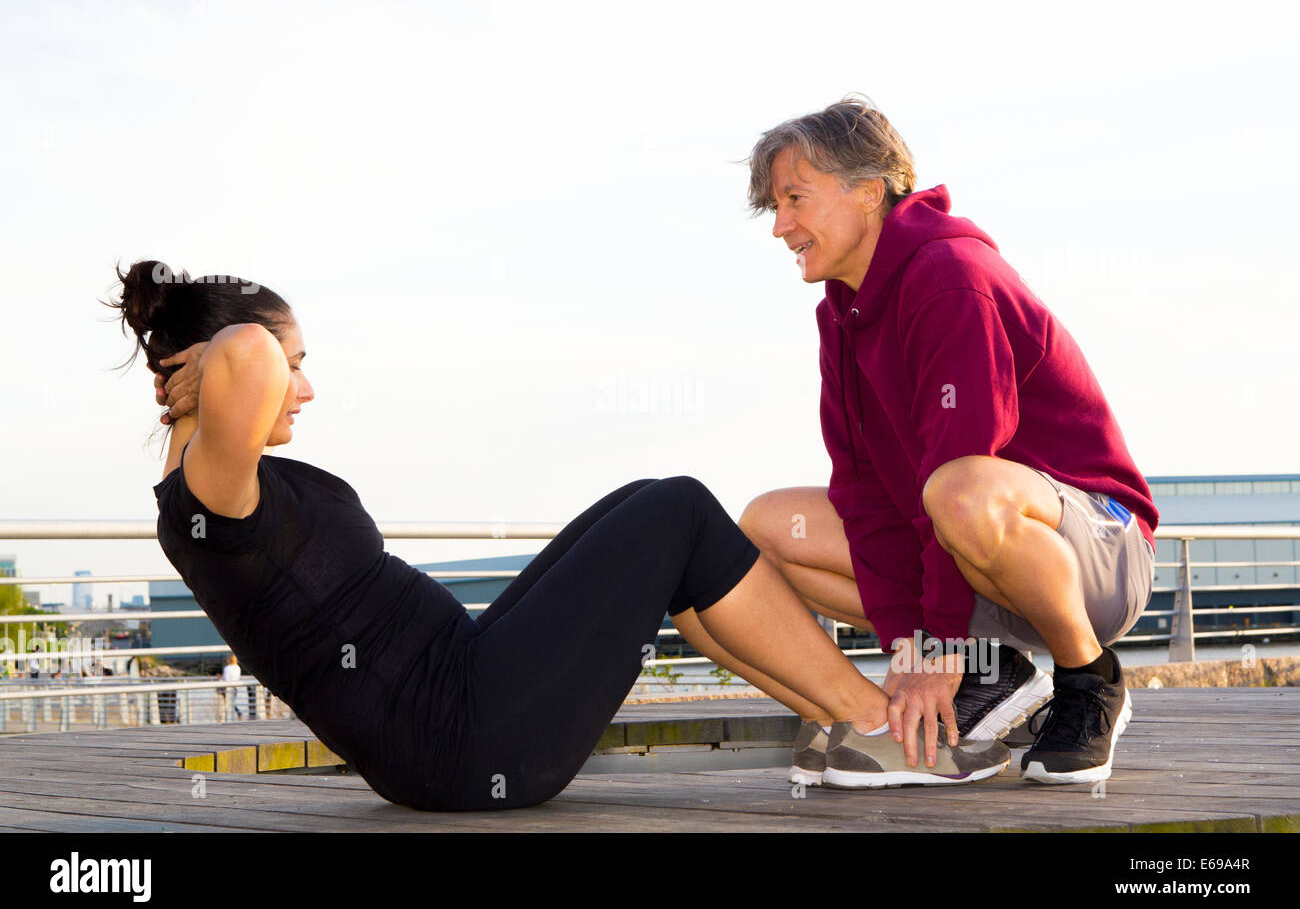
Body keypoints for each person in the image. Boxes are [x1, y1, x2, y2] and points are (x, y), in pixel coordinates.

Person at [105, 260, 1010, 810]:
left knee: (652, 506)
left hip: (460, 706)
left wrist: (205, 360)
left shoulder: (234, 489)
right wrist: (204, 363)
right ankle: (881, 725)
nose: (302, 389)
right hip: (467, 738)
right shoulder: (208, 498)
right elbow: (250, 360)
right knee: (680, 509)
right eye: (295, 366)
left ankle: (842, 722)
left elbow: (248, 361)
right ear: (213, 376)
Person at [726, 96, 1159, 786]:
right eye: (775, 208)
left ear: (867, 192)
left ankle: (1090, 679)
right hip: (970, 548)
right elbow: (866, 499)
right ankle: (994, 675)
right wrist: (912, 651)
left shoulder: (949, 277)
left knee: (959, 488)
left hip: (1098, 554)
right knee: (767, 526)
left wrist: (937, 644)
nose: (781, 226)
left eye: (795, 199)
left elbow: (961, 470)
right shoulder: (841, 316)